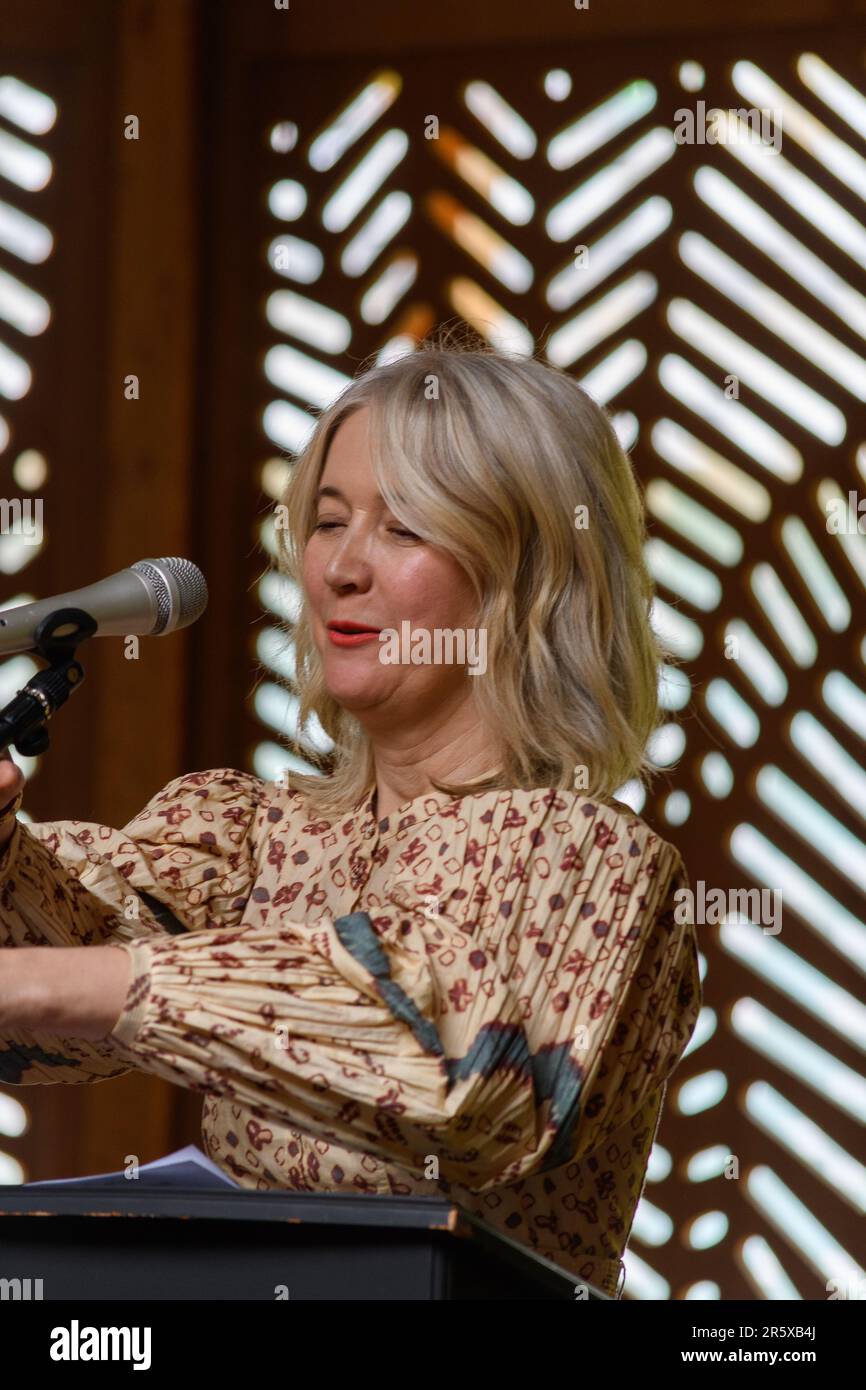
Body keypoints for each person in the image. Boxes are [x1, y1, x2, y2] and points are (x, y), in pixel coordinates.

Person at [0, 340, 702, 1299]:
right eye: (328, 523)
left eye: (405, 527)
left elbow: (451, 1054)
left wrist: (44, 981)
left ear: (529, 577)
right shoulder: (247, 836)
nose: (340, 568)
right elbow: (50, 988)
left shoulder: (591, 862)